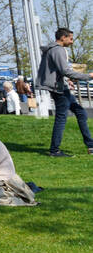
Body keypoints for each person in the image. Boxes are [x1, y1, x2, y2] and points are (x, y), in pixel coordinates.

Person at [38, 27, 93, 157]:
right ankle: (54, 150)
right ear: (63, 38)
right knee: (61, 118)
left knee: (80, 112)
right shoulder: (58, 50)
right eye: (71, 38)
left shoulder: (53, 49)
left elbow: (57, 71)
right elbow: (65, 70)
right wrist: (89, 76)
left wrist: (67, 80)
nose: (72, 41)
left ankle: (90, 145)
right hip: (59, 90)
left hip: (61, 87)